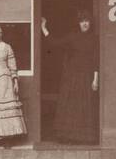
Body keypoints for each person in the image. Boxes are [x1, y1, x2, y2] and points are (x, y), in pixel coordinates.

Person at [42, 11, 99, 144]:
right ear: (78, 23)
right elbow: (55, 43)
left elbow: (96, 60)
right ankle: (69, 137)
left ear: (90, 23)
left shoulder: (94, 39)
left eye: (87, 21)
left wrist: (95, 79)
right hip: (72, 77)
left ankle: (84, 138)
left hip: (87, 77)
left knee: (85, 107)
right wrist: (43, 28)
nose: (84, 24)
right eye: (82, 21)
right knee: (71, 107)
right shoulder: (72, 37)